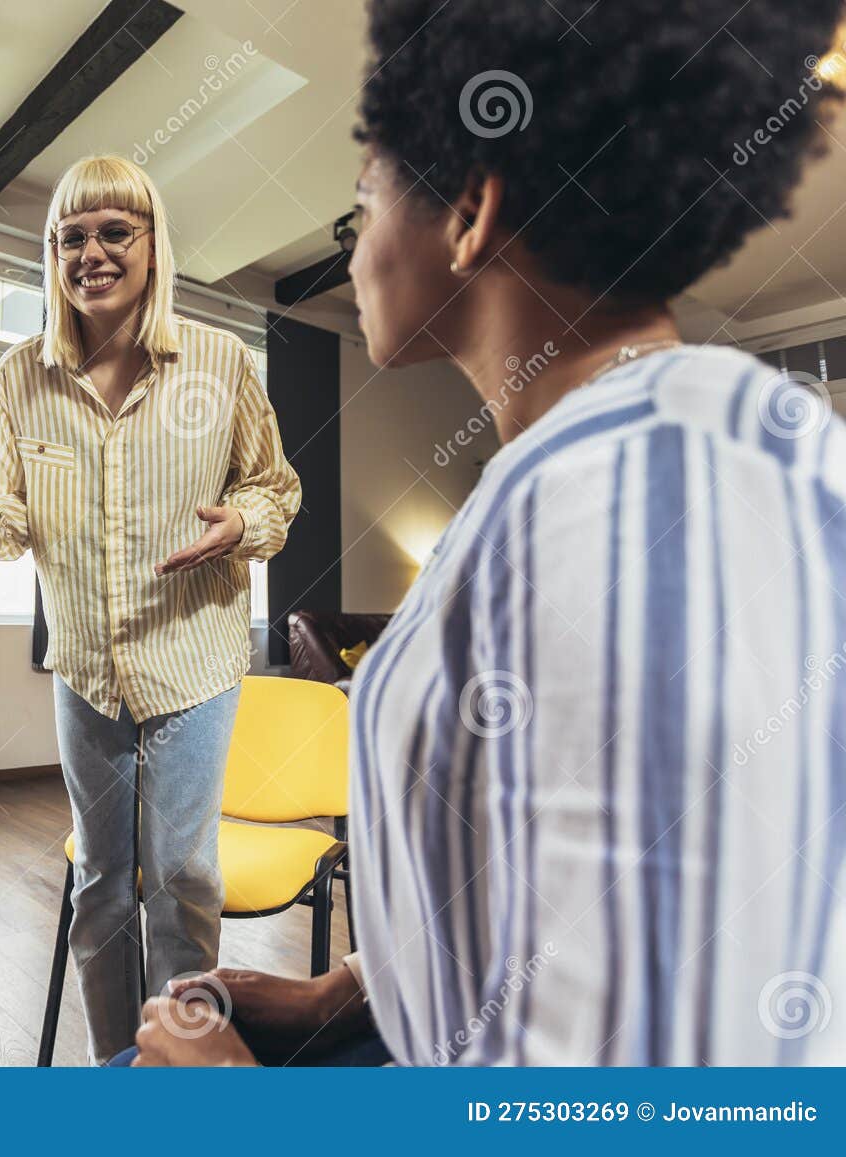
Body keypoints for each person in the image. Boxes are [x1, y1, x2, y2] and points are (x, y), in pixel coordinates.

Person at [132, 0, 846, 1066]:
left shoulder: (611, 523)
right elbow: (571, 895)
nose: (351, 255)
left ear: (470, 209)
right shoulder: (701, 445)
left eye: (358, 211)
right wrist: (349, 990)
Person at [0, 155, 301, 1063]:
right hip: (87, 668)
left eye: (113, 232)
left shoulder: (220, 361)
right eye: (70, 238)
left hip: (194, 660)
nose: (90, 254)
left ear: (152, 244)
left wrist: (240, 523)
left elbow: (275, 489)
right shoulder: (19, 377)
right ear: (52, 254)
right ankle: (115, 1068)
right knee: (99, 881)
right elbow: (17, 521)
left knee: (180, 875)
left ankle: (181, 1069)